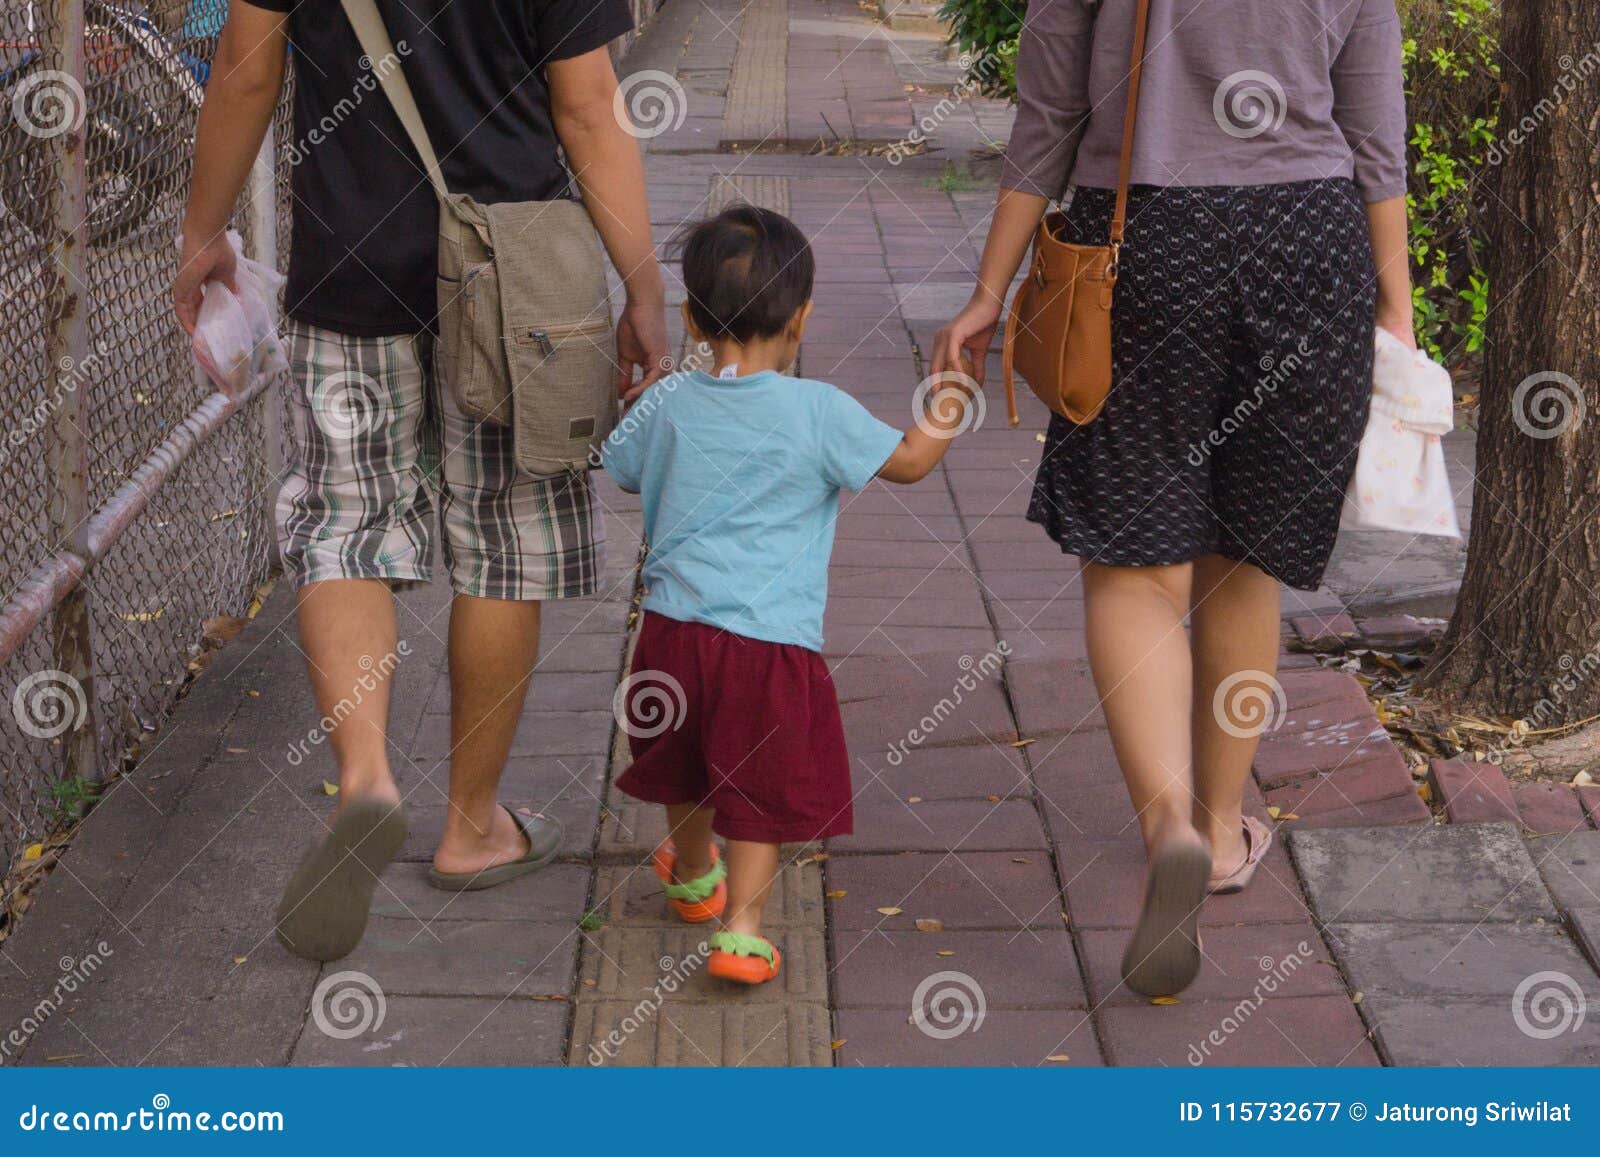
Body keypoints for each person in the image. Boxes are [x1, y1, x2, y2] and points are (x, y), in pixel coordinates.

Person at [933, 0, 1413, 996]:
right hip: (1312, 246)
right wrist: (1396, 309)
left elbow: (1048, 118)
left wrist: (989, 287)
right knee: (1246, 558)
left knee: (1134, 567)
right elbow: (1376, 135)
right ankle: (1222, 826)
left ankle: (1167, 829)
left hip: (1144, 242)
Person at [173, 1, 669, 962]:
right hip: (512, 274)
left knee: (345, 525)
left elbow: (243, 70)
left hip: (349, 268)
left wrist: (202, 235)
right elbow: (588, 108)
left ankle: (365, 778)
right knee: (504, 536)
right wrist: (642, 284)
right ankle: (473, 827)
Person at [601, 206, 976, 984]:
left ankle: (695, 877)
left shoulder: (670, 400)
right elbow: (908, 463)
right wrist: (946, 403)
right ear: (802, 317)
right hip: (768, 645)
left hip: (670, 635)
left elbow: (622, 466)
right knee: (755, 783)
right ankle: (741, 929)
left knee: (682, 762)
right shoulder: (819, 411)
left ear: (692, 316)